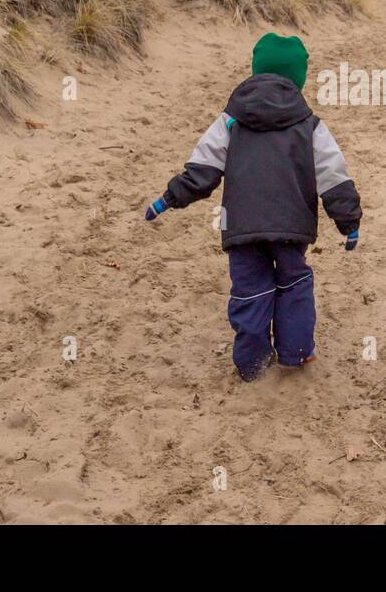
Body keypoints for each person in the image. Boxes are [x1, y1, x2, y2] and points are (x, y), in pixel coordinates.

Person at [144, 33, 362, 381]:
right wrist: (348, 220)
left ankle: (252, 364)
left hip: (242, 225)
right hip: (291, 225)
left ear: (255, 70)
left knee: (250, 289)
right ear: (299, 79)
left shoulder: (230, 121)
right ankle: (296, 353)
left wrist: (169, 198)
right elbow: (332, 176)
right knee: (294, 282)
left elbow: (203, 168)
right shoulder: (310, 125)